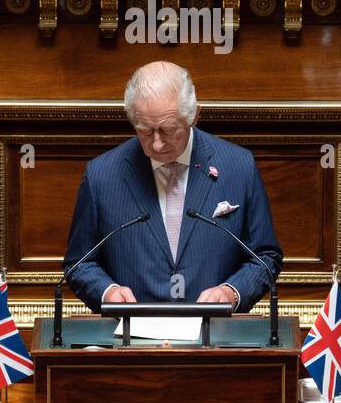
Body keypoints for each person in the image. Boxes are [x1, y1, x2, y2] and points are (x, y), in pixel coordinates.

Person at [63, 61, 283, 312]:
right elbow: (79, 264)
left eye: (168, 130)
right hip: (130, 337)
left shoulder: (239, 167)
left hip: (215, 337)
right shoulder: (101, 175)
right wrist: (107, 291)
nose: (156, 145)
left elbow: (265, 257)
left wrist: (232, 292)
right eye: (145, 131)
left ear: (194, 116)